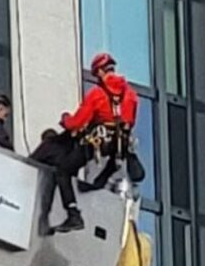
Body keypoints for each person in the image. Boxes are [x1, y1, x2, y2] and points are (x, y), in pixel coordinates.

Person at [47, 52, 139, 233]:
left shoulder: (97, 94)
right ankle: (99, 182)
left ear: (100, 72)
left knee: (63, 171)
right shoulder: (131, 95)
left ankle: (73, 214)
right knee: (109, 167)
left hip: (98, 143)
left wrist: (65, 119)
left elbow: (76, 123)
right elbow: (130, 121)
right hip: (120, 145)